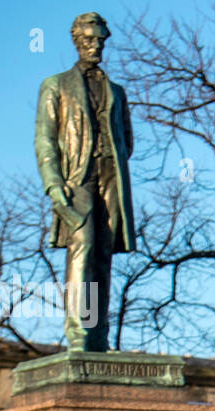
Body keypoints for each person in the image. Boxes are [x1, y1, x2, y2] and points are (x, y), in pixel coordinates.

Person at [34, 11, 136, 351]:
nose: (95, 46)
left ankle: (98, 337)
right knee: (84, 247)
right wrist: (53, 182)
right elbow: (45, 139)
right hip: (77, 178)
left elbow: (127, 141)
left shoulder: (116, 91)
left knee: (103, 255)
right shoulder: (55, 85)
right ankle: (80, 335)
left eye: (100, 40)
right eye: (89, 40)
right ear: (77, 42)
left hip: (112, 176)